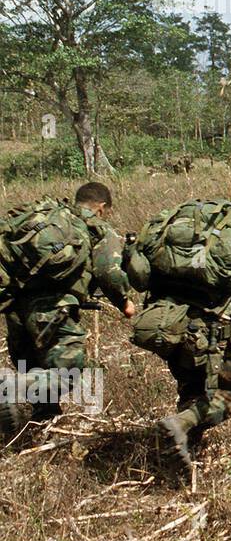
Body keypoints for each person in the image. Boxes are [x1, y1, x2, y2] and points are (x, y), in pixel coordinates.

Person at [127, 196, 231, 467]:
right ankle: (180, 423)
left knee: (192, 385)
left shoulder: (187, 226)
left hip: (165, 321)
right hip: (211, 327)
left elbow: (138, 269)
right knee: (230, 392)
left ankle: (183, 450)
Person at [0, 182, 135, 437]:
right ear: (102, 208)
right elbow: (109, 272)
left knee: (34, 369)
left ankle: (41, 425)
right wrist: (125, 302)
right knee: (68, 372)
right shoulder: (95, 228)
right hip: (52, 311)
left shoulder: (49, 217)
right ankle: (9, 387)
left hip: (15, 307)